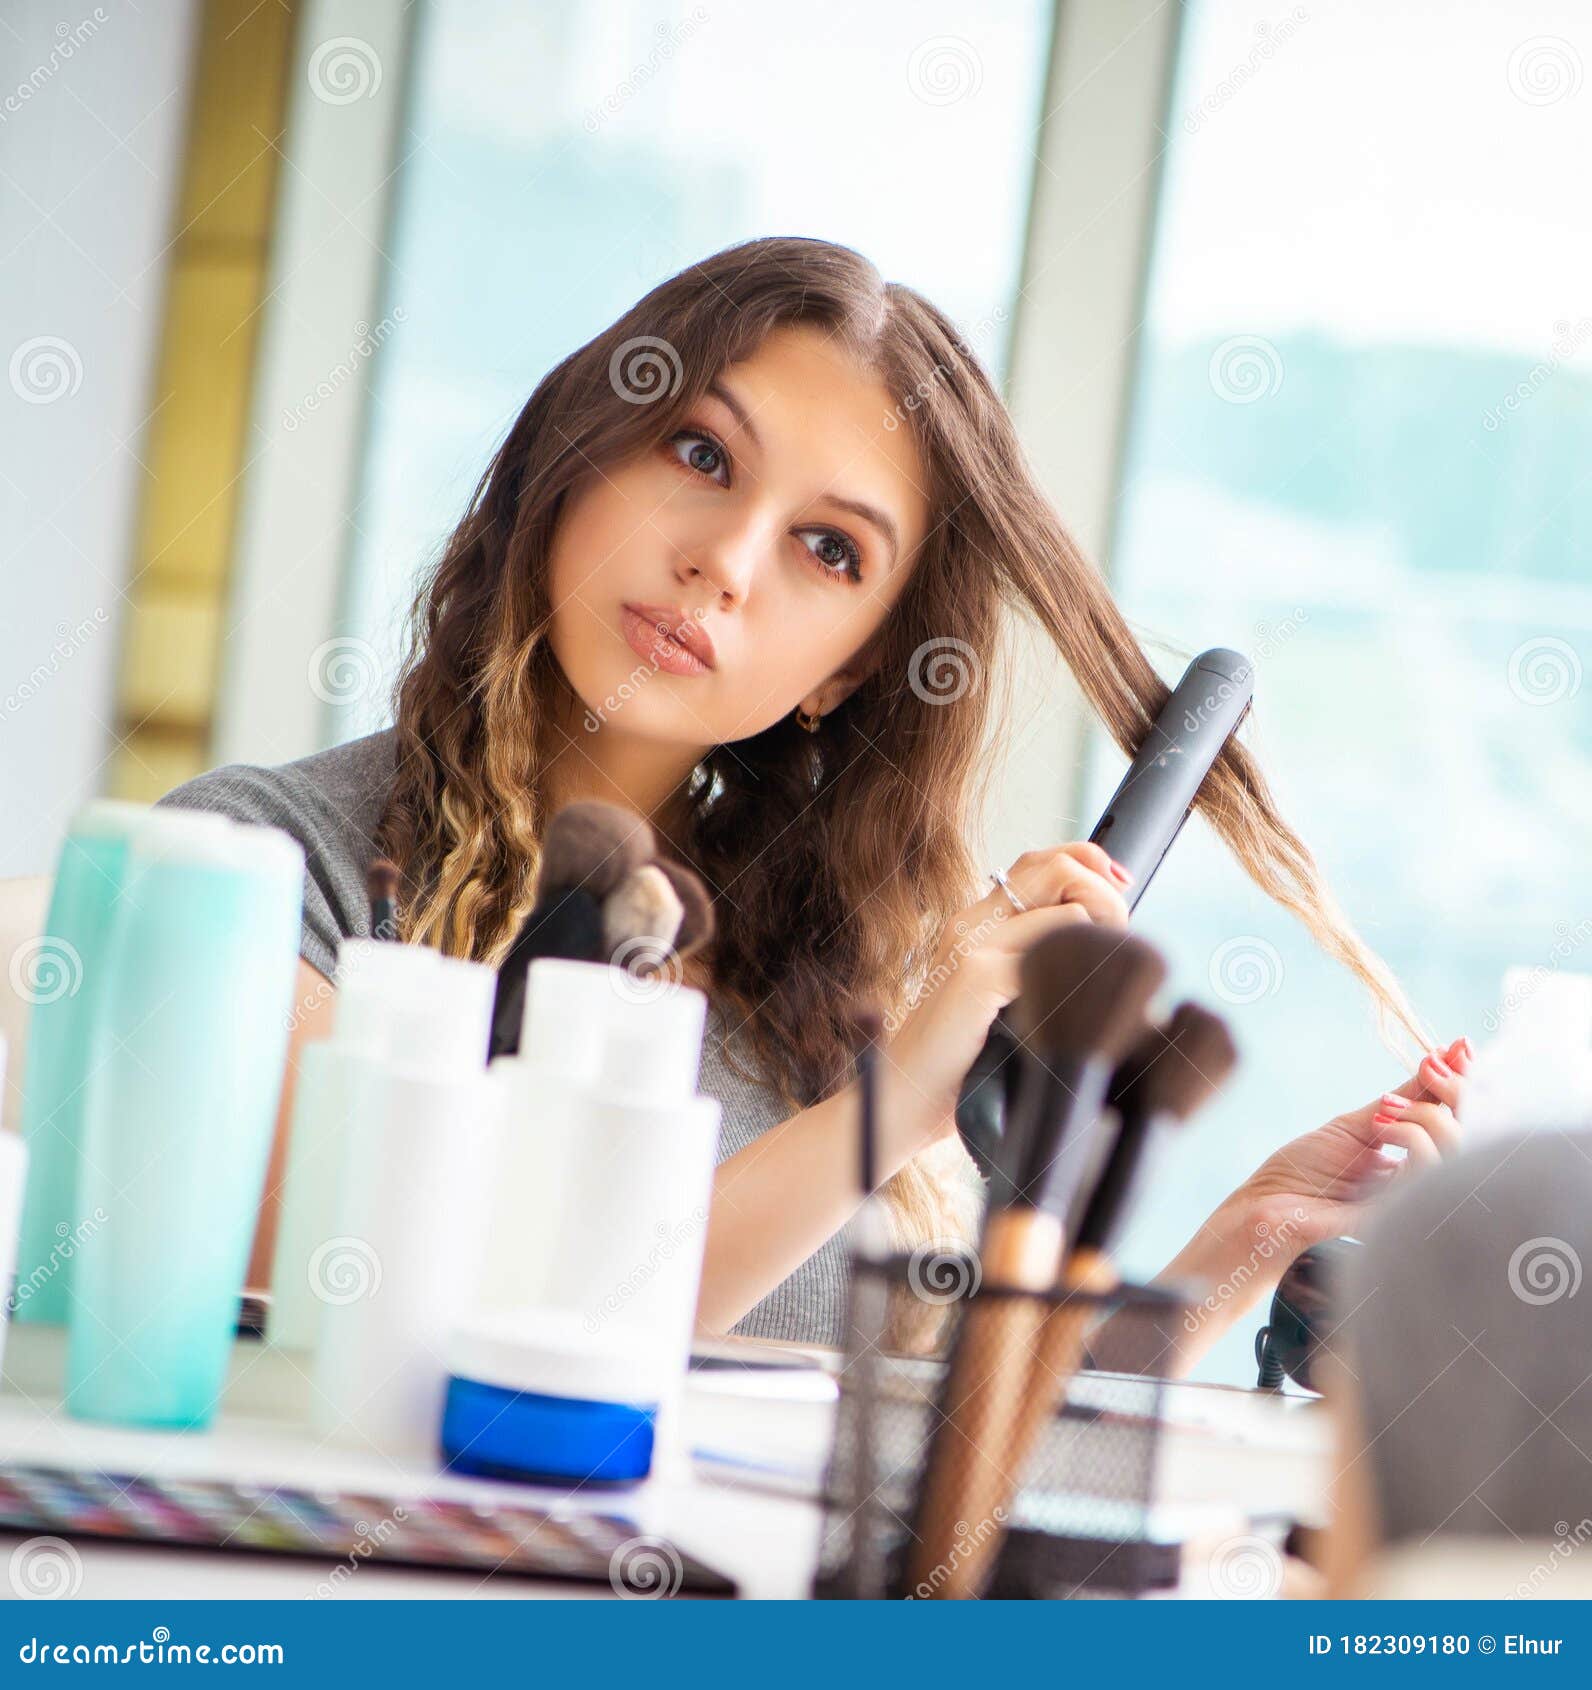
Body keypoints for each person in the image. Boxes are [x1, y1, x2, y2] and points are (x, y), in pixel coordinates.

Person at [158, 235, 1465, 1356]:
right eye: (699, 452)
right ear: (579, 452)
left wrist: (1247, 1239)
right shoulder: (252, 870)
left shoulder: (829, 996)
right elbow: (489, 1332)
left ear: (848, 670)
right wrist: (899, 1100)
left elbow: (920, 1470)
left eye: (827, 549)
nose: (724, 561)